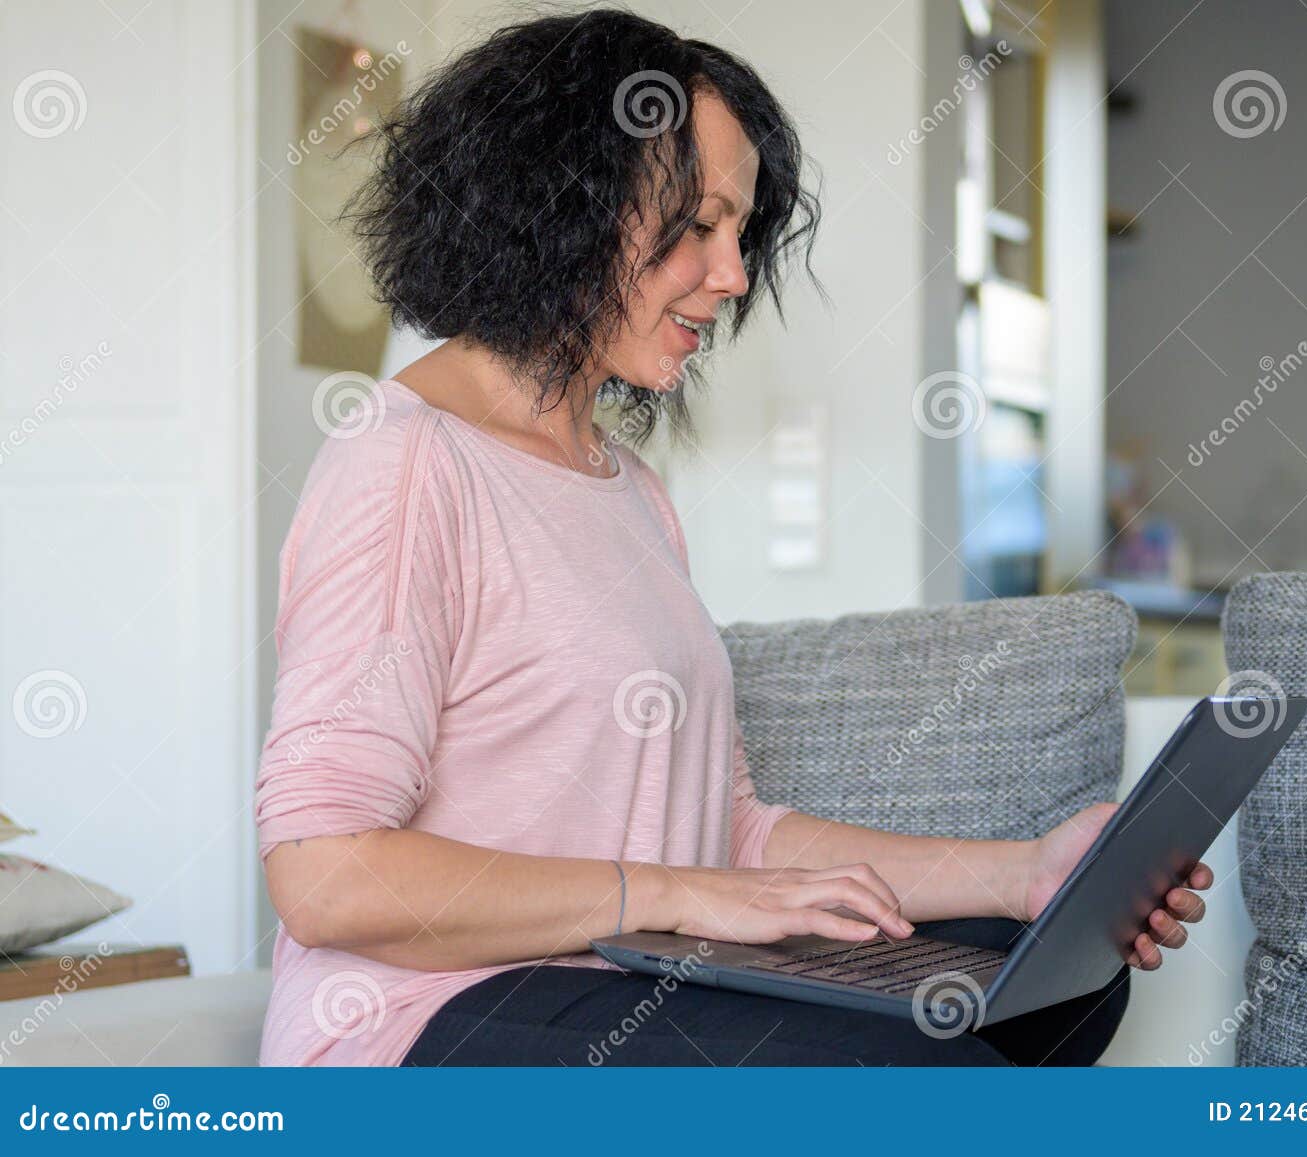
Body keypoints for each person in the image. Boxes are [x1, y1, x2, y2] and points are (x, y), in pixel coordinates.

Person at [255, 7, 1211, 1067]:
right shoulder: (405, 465)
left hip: (628, 975)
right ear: (560, 205)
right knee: (916, 1062)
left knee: (1042, 986)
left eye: (739, 233)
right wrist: (681, 893)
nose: (734, 274)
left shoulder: (628, 490)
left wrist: (1028, 872)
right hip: (424, 1022)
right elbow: (325, 872)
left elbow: (727, 828)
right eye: (699, 225)